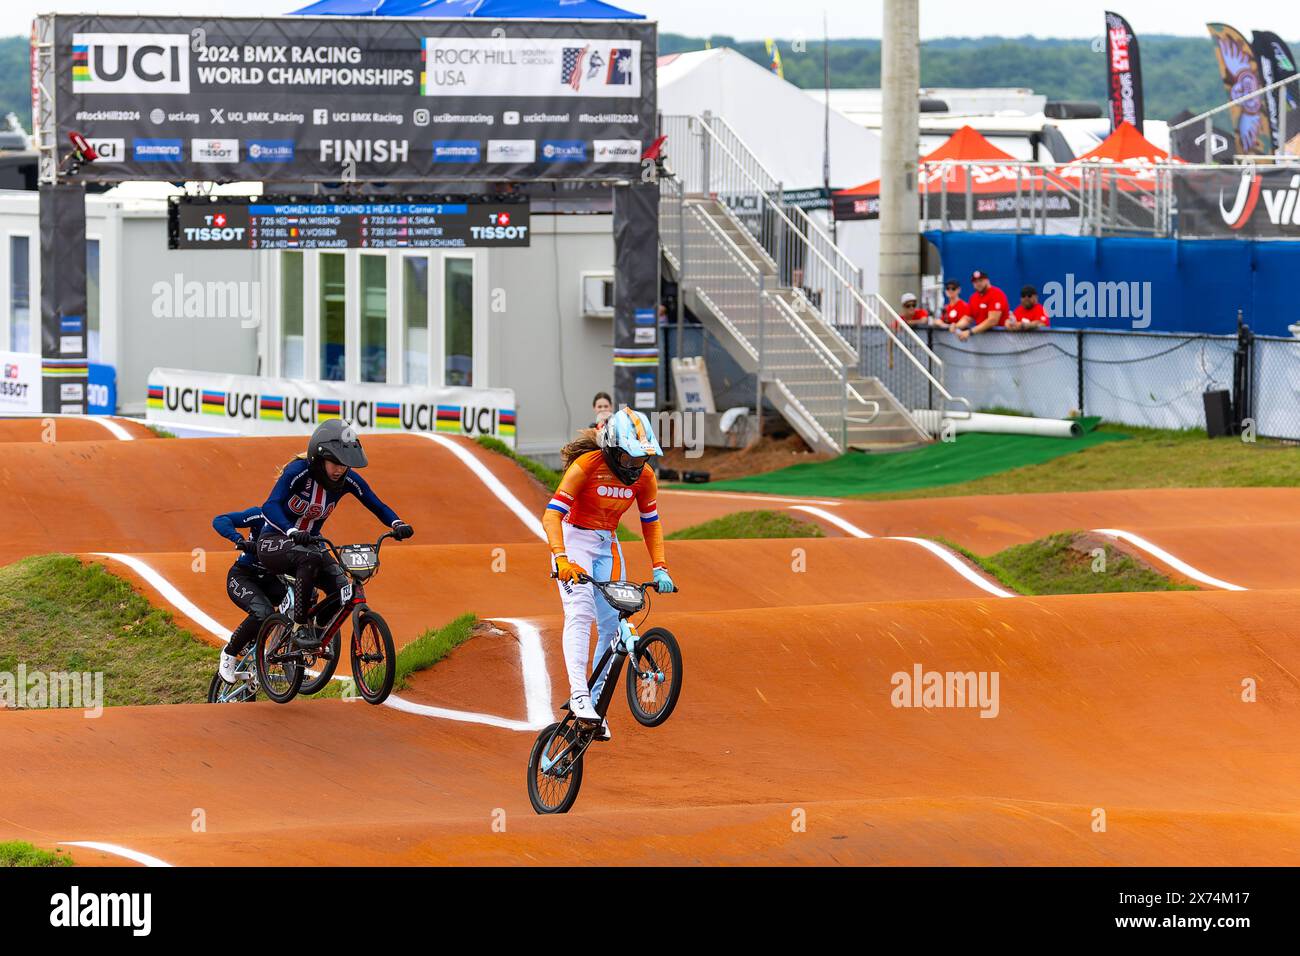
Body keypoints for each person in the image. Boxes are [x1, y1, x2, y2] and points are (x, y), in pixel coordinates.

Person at [543, 406, 676, 740]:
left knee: (616, 626)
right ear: (614, 451)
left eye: (642, 459)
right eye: (630, 459)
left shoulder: (645, 478)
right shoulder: (587, 466)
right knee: (580, 611)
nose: (636, 467)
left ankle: (596, 706)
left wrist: (660, 567)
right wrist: (561, 560)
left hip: (607, 544)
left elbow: (651, 523)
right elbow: (551, 516)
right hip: (575, 540)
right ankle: (579, 695)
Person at [256, 420, 414, 649]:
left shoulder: (347, 480)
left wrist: (397, 523)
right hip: (273, 543)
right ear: (319, 458)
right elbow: (270, 506)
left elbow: (377, 505)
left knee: (342, 587)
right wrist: (292, 531)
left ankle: (317, 632)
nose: (340, 469)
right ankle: (299, 626)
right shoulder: (298, 471)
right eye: (335, 462)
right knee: (309, 557)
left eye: (345, 464)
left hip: (311, 546)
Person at [214, 506, 288, 685]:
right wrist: (239, 539)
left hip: (273, 581)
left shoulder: (304, 522)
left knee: (306, 597)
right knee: (264, 613)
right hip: (244, 576)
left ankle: (286, 654)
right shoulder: (263, 513)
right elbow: (221, 519)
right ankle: (230, 652)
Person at [956, 269, 1010, 341]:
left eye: (981, 280)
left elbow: (993, 320)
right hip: (982, 340)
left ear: (987, 280)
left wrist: (970, 332)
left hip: (1000, 339)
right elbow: (967, 319)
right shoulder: (973, 297)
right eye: (975, 282)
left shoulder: (996, 294)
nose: (978, 283)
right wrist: (955, 326)